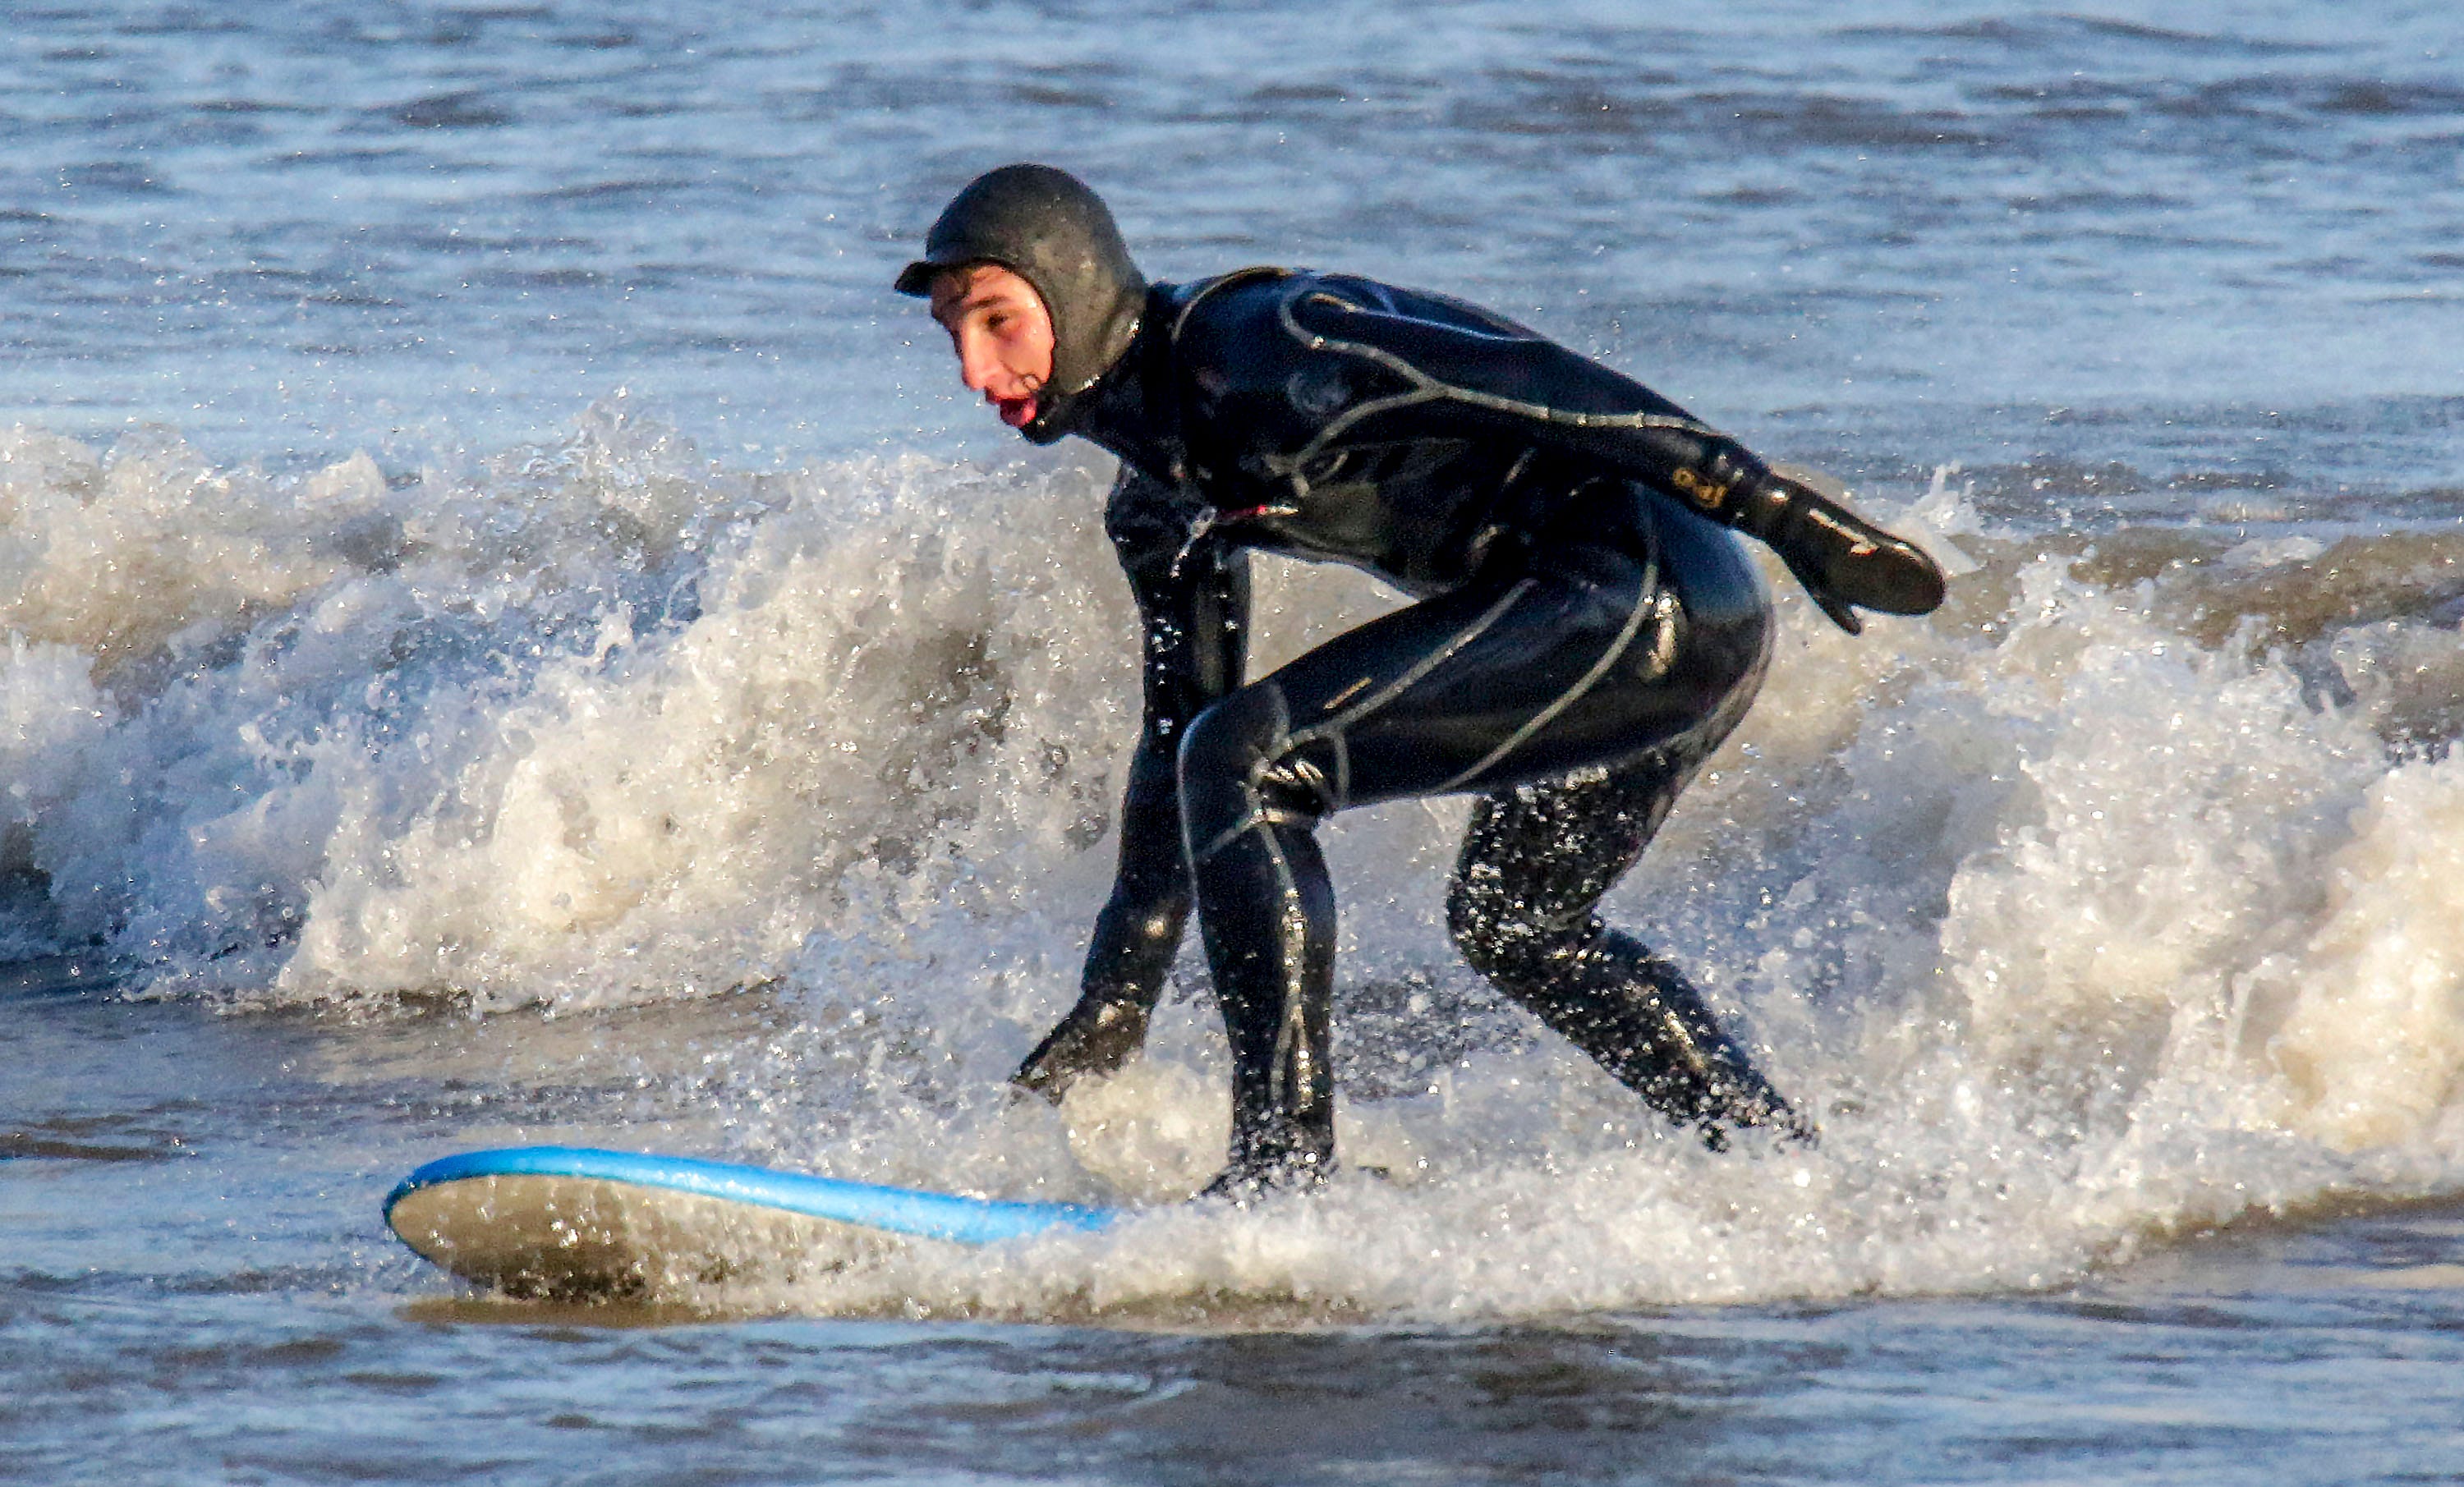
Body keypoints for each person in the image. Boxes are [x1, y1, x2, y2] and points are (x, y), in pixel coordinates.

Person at [896, 163, 1945, 1196]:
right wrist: (1118, 994)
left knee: (1252, 761)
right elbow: (1176, 740)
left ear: (1074, 289)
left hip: (1642, 592)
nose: (975, 371)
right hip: (1658, 621)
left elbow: (1545, 382)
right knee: (1514, 922)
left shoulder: (1271, 347)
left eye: (998, 321)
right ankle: (1786, 1173)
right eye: (953, 333)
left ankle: (1281, 1178)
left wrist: (1779, 511)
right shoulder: (1160, 509)